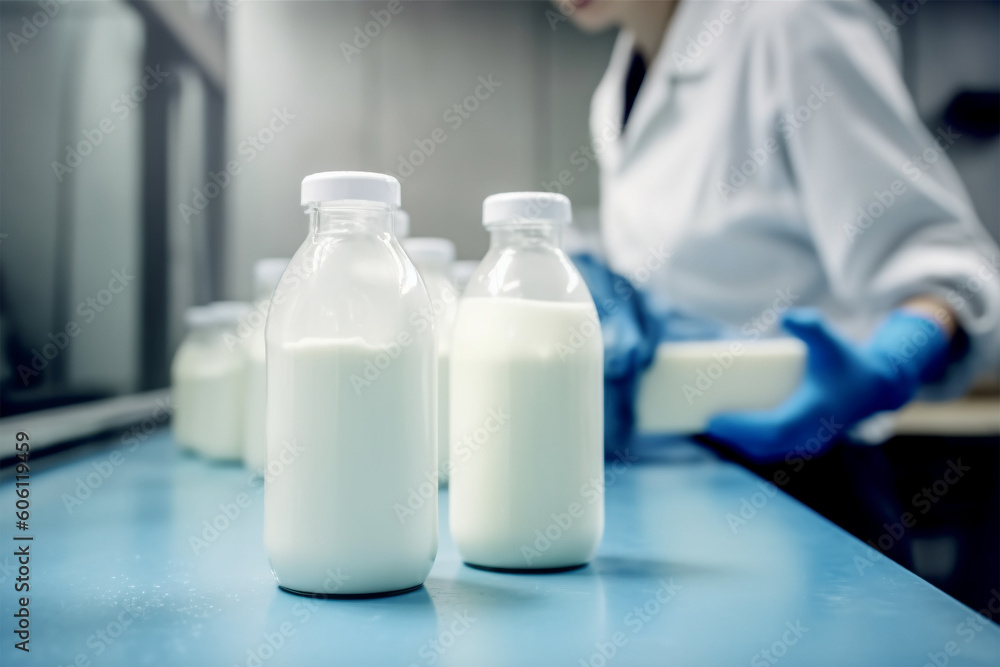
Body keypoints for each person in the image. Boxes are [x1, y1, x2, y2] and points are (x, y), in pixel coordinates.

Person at [560, 0, 1000, 468]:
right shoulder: (621, 83)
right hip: (693, 458)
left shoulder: (794, 19)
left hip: (816, 468)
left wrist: (891, 365)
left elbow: (946, 267)